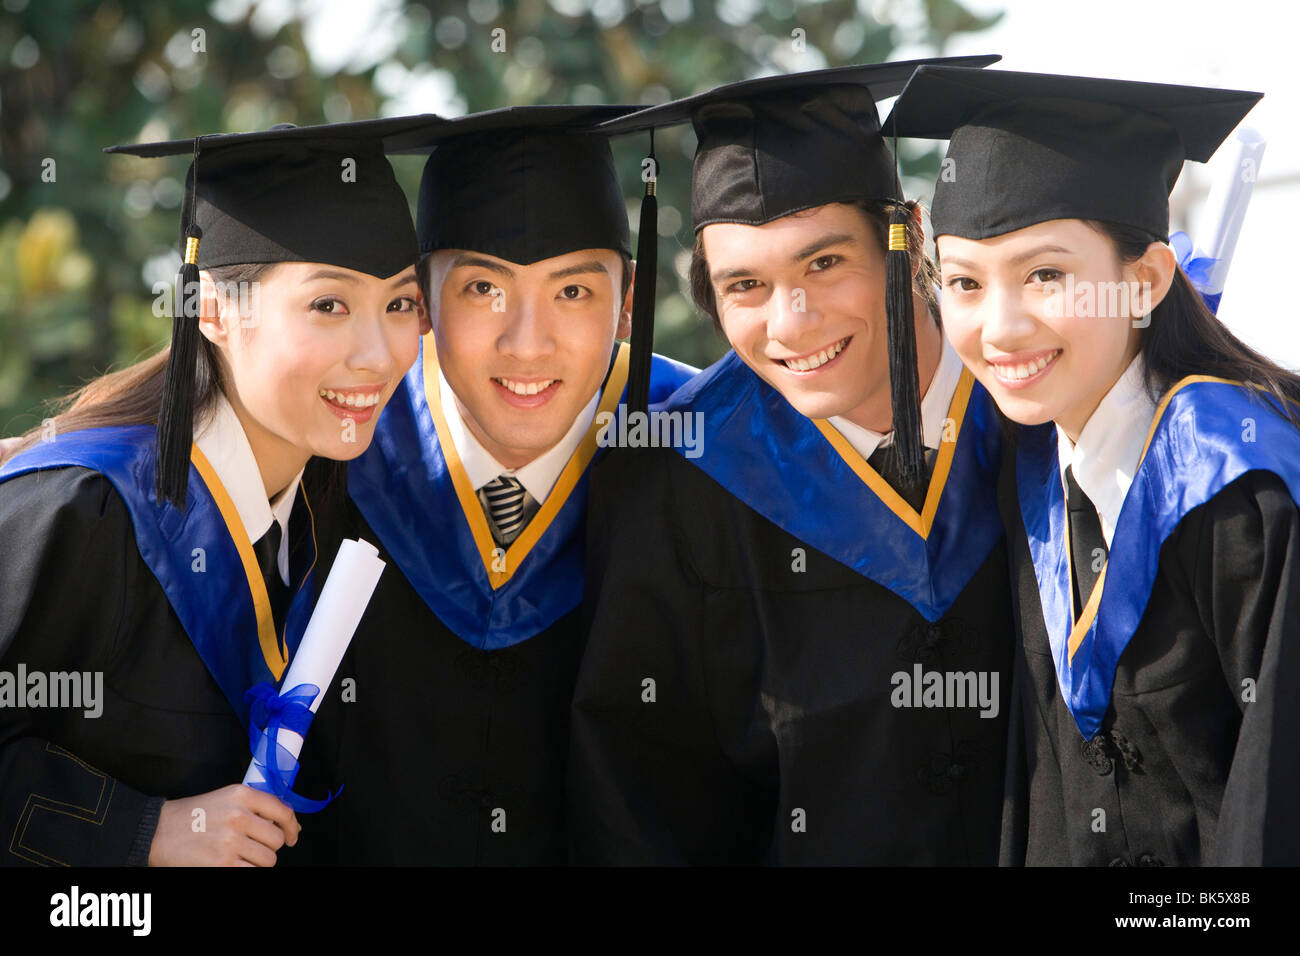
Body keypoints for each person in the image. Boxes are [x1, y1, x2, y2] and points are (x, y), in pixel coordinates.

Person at [566, 58, 1017, 865]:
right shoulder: (681, 477)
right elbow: (643, 801)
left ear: (909, 233)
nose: (793, 322)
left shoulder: (1034, 421)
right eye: (745, 285)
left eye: (824, 262)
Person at [891, 65, 1300, 865]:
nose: (999, 328)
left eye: (1047, 274)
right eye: (965, 282)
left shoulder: (1241, 485)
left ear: (1144, 281)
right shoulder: (1039, 466)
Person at [0, 119, 426, 866]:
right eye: (329, 305)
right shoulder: (83, 511)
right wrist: (143, 830)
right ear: (218, 311)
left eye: (400, 304)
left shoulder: (327, 510)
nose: (380, 353)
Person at [286, 107, 697, 865]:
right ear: (422, 299)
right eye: (482, 288)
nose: (527, 342)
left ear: (629, 297)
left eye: (574, 292)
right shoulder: (331, 455)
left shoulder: (706, 457)